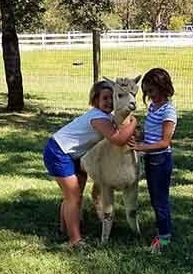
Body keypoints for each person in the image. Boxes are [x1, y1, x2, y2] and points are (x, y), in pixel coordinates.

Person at [43, 80, 137, 250]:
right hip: (58, 152)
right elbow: (118, 139)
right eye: (104, 98)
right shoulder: (98, 118)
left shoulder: (106, 116)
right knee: (74, 197)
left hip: (72, 154)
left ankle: (65, 230)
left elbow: (121, 131)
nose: (109, 102)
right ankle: (75, 241)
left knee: (73, 195)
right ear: (95, 101)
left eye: (111, 98)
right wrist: (134, 123)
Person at [132, 68, 177, 251]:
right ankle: (162, 230)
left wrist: (140, 148)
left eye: (152, 91)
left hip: (160, 159)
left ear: (162, 87)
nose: (149, 96)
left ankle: (164, 238)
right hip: (151, 158)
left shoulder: (168, 111)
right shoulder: (153, 107)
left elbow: (164, 142)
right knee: (155, 198)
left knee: (160, 200)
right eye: (147, 92)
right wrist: (138, 134)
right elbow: (149, 134)